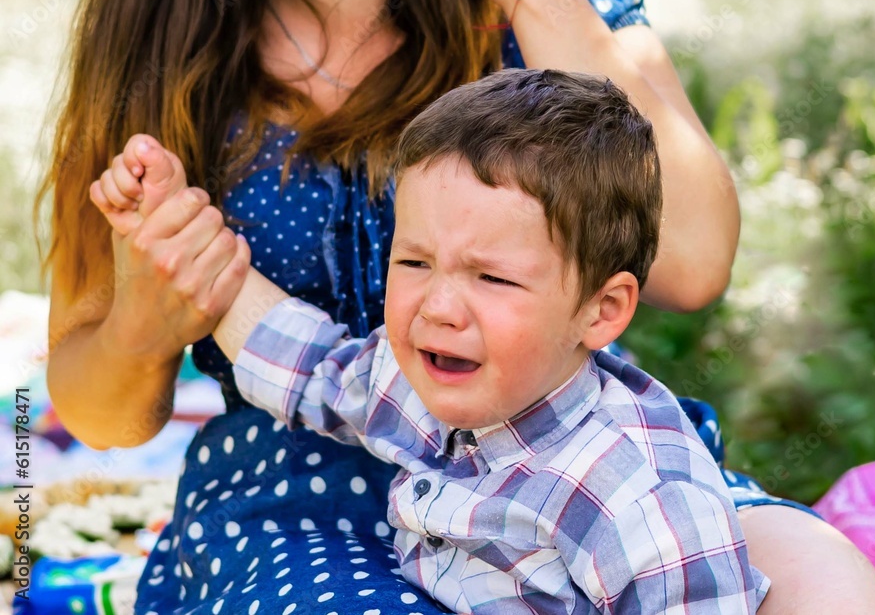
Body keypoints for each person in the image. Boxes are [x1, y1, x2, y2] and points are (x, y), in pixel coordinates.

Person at [40, 0, 875, 612]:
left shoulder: (631, 482)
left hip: (559, 451)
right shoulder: (151, 31)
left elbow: (694, 264)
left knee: (839, 596)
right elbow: (241, 368)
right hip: (292, 490)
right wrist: (144, 321)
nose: (442, 304)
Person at [96, 67, 771, 613]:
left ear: (602, 311)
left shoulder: (637, 504)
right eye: (414, 263)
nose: (439, 307)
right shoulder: (422, 384)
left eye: (493, 277)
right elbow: (313, 365)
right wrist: (175, 233)